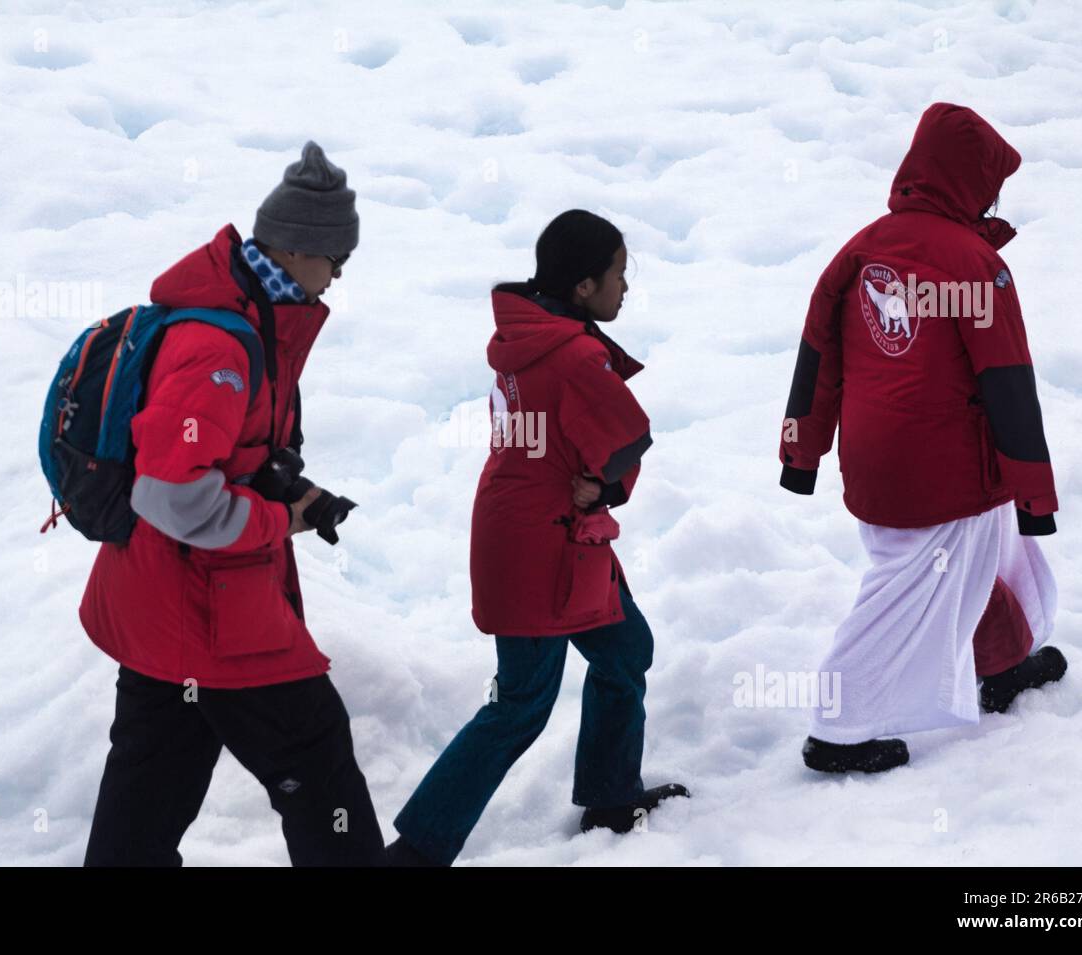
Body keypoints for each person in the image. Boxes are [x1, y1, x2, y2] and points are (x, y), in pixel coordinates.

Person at [80, 141, 385, 864]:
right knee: (320, 774)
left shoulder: (246, 317)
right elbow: (173, 494)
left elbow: (220, 459)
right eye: (336, 258)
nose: (339, 275)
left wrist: (290, 493)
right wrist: (279, 521)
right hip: (213, 615)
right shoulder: (219, 347)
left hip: (162, 606)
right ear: (300, 249)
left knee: (147, 795)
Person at [387, 210, 688, 866]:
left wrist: (595, 485)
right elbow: (627, 436)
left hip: (545, 534)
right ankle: (416, 850)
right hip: (540, 548)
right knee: (521, 705)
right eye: (618, 275)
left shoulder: (530, 335)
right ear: (583, 287)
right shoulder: (576, 353)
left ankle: (610, 794)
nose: (625, 289)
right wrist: (604, 484)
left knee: (624, 650)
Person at [778, 103, 1067, 773]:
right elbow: (1009, 384)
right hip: (947, 473)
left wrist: (802, 451)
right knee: (908, 590)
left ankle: (998, 666)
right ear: (966, 181)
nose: (994, 198)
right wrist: (1036, 493)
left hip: (877, 462)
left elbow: (816, 357)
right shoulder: (974, 263)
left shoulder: (861, 248)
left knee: (984, 559)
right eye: (989, 184)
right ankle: (838, 728)